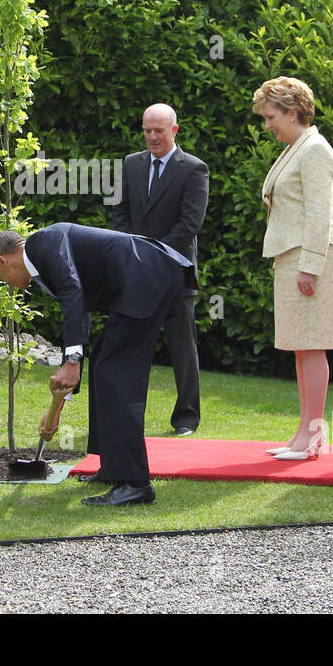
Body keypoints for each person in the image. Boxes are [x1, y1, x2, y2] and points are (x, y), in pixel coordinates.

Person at [0, 223, 193, 506]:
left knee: (116, 375)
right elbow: (78, 310)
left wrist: (72, 361)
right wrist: (59, 404)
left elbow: (72, 292)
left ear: (2, 260)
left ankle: (134, 484)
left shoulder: (42, 243)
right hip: (145, 280)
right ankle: (113, 468)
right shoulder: (44, 259)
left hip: (149, 276)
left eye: (1, 276)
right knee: (102, 370)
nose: (8, 284)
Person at [252, 77, 333, 460]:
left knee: (311, 343)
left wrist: (310, 267)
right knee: (300, 347)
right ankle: (303, 434)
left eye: (271, 116)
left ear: (292, 111)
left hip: (308, 257)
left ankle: (312, 436)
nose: (267, 125)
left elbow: (321, 215)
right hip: (293, 256)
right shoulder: (299, 147)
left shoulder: (315, 149)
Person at [112, 103, 209, 435]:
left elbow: (189, 224)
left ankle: (186, 418)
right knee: (132, 346)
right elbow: (120, 215)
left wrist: (154, 254)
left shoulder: (194, 169)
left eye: (159, 131)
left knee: (183, 347)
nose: (152, 137)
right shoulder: (131, 165)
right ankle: (127, 415)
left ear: (174, 131)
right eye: (147, 131)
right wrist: (135, 254)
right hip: (136, 271)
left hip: (175, 273)